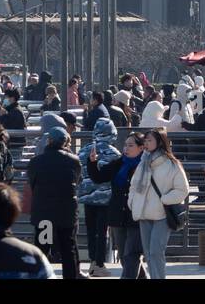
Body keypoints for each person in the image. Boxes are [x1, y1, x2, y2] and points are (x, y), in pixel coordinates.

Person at [127, 127, 189, 279]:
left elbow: (183, 189)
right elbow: (134, 185)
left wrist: (165, 199)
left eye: (150, 140)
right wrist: (132, 202)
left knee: (156, 251)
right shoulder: (143, 162)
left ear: (160, 142)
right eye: (145, 140)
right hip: (143, 212)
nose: (146, 143)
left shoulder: (171, 164)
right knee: (148, 253)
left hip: (162, 214)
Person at [86, 131, 147, 278]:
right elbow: (99, 178)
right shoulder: (118, 164)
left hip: (137, 215)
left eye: (130, 145)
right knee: (123, 254)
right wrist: (92, 163)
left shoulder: (146, 166)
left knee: (130, 253)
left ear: (141, 148)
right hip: (117, 215)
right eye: (125, 145)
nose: (126, 148)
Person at [28, 125, 83, 278]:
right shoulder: (74, 161)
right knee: (68, 249)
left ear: (49, 141)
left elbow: (32, 183)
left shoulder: (36, 161)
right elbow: (78, 180)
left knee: (42, 249)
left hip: (44, 212)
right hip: (66, 213)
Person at [77, 117, 121, 277]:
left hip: (87, 197)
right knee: (102, 231)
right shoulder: (114, 153)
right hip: (105, 198)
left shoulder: (84, 150)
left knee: (90, 229)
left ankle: (92, 261)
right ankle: (99, 263)